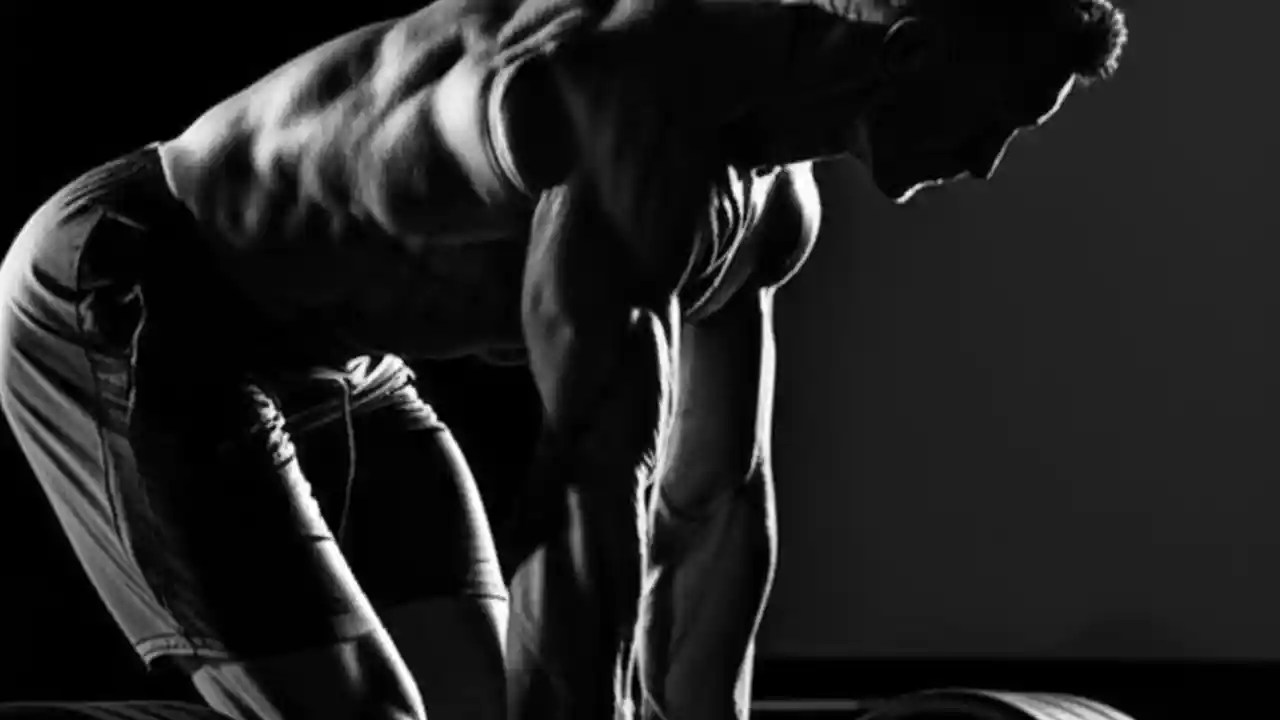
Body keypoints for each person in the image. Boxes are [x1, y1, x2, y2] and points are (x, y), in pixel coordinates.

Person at [0, 1, 1128, 720]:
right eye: (1000, 115)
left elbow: (717, 497)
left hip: (349, 367)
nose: (986, 161)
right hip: (145, 286)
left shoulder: (771, 208)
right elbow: (590, 489)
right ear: (914, 48)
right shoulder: (630, 106)